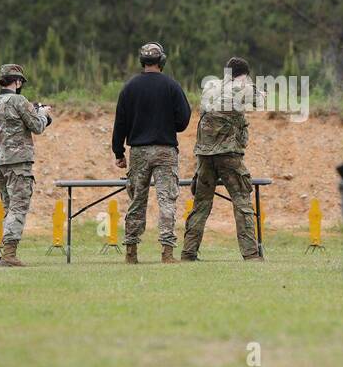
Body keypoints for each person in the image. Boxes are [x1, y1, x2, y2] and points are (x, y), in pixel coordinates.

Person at [111, 42, 192, 264]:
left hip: (138, 151)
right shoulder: (172, 86)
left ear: (142, 61)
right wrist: (169, 124)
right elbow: (184, 119)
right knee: (167, 200)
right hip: (166, 150)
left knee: (137, 200)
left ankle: (131, 252)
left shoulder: (130, 87)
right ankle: (167, 252)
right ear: (162, 61)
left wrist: (119, 152)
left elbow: (120, 123)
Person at [182, 57, 263, 262]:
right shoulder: (242, 88)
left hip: (204, 155)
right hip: (229, 155)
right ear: (244, 74)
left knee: (201, 203)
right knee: (241, 201)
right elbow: (260, 100)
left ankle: (188, 252)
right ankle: (251, 254)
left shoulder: (210, 86)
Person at [0, 63, 53, 267]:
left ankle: (7, 251)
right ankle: (9, 255)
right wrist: (43, 114)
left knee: (9, 207)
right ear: (17, 81)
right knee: (18, 207)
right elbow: (37, 127)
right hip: (18, 162)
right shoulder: (19, 100)